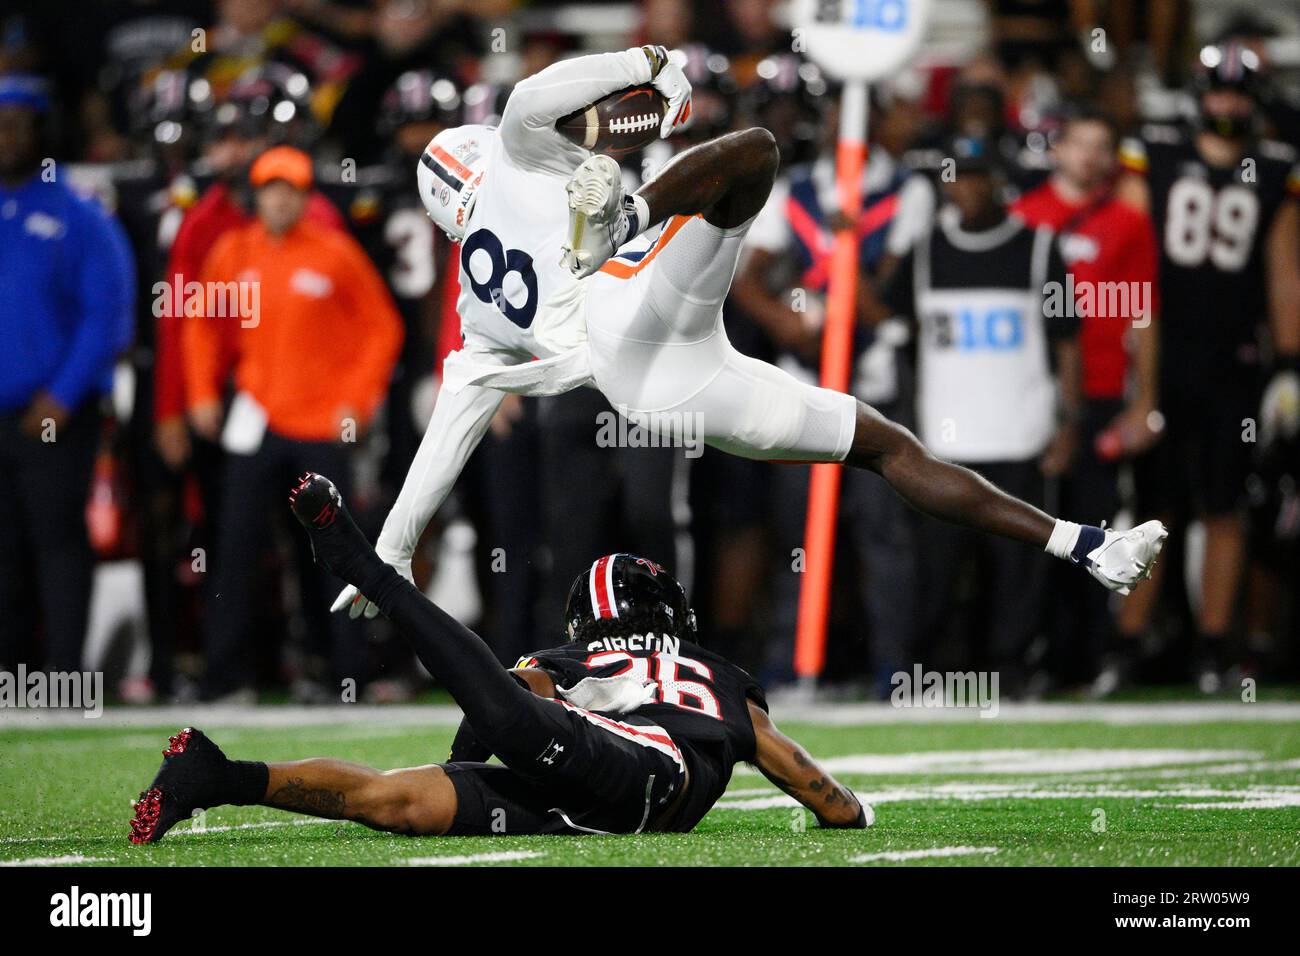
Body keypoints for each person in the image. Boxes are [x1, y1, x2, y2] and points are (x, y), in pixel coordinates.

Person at [335, 46, 1168, 631]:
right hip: (637, 308)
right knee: (753, 154)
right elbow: (537, 98)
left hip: (653, 386)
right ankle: (626, 218)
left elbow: (448, 436)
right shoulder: (514, 148)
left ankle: (1086, 546)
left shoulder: (476, 315)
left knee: (877, 443)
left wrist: (390, 553)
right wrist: (644, 67)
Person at [128, 476, 869, 842]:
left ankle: (225, 771)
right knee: (407, 800)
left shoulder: (565, 656)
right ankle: (218, 771)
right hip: (622, 779)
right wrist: (849, 813)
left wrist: (464, 761)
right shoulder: (717, 674)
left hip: (585, 775)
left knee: (396, 796)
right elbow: (793, 767)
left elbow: (508, 698)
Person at [183, 145, 403, 700]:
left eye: (291, 188)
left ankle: (345, 675)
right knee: (233, 549)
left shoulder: (335, 254)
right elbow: (202, 326)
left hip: (322, 428)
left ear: (305, 197)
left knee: (336, 556)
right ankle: (225, 679)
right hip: (256, 419)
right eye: (270, 187)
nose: (280, 197)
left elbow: (382, 328)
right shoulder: (233, 252)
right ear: (256, 194)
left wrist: (356, 400)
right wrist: (203, 390)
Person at [1115, 42, 1300, 692]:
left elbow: (1283, 271)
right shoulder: (1157, 154)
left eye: (1237, 94)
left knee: (1225, 506)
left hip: (1234, 364)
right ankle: (1130, 642)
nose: (1226, 104)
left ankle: (1214, 646)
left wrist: (1289, 362)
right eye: (1218, 92)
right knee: (1154, 507)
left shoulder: (1276, 168)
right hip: (1165, 355)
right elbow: (1132, 258)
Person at [1011, 106, 1161, 690]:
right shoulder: (1024, 216)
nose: (1091, 157)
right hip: (1031, 390)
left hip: (1100, 390)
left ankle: (1092, 655)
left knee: (1095, 526)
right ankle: (1037, 656)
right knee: (1033, 526)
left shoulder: (1127, 222)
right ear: (1057, 149)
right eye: (1081, 143)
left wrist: (1145, 399)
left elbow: (1144, 313)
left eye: (1103, 145)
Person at [0, 74, 135, 671]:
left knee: (56, 541)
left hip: (52, 415)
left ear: (42, 132)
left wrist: (62, 394)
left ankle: (62, 675)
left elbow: (107, 312)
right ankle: (10, 674)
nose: (5, 137)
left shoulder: (78, 211)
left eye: (16, 125)